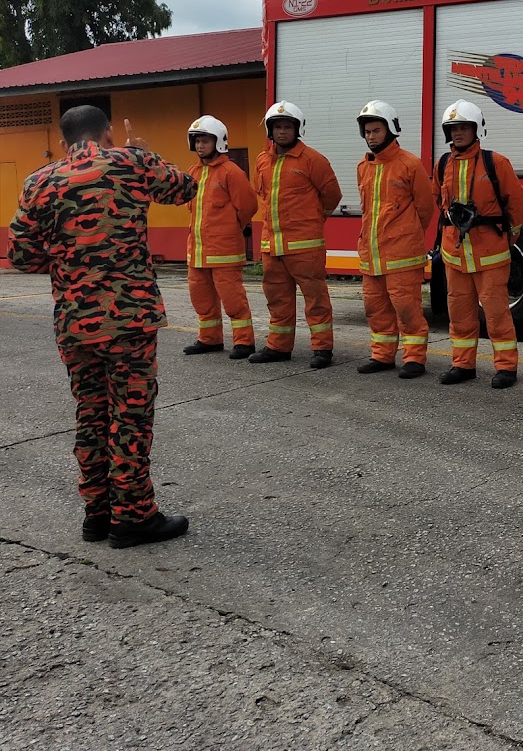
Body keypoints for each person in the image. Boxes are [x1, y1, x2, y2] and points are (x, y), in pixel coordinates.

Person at [7, 106, 197, 548]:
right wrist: (147, 152)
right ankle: (133, 517)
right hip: (129, 318)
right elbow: (184, 188)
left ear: (63, 138)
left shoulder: (38, 181)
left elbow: (20, 257)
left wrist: (67, 261)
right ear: (108, 132)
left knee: (91, 413)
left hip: (75, 322)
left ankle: (97, 513)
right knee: (129, 415)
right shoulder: (131, 162)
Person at [433, 99, 523, 388]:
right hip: (455, 254)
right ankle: (463, 364)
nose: (457, 133)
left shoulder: (495, 162)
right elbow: (438, 200)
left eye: (463, 127)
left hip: (490, 254)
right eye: (453, 128)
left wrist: (510, 236)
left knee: (497, 314)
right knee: (459, 314)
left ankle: (506, 367)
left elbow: (516, 202)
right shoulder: (444, 163)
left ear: (477, 130)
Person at [249, 101, 342, 369]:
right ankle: (278, 347)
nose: (282, 132)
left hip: (305, 247)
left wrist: (314, 219)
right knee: (277, 300)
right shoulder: (262, 161)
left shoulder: (313, 160)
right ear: (270, 130)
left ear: (297, 129)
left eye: (287, 127)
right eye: (277, 127)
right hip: (272, 246)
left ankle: (322, 349)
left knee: (316, 300)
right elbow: (263, 195)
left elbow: (332, 195)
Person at [355, 99, 435, 379]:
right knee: (375, 308)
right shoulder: (363, 167)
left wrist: (407, 235)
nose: (371, 136)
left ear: (390, 130)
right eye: (367, 131)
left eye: (376, 130)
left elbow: (425, 208)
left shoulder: (410, 164)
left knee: (407, 309)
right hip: (372, 254)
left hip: (402, 255)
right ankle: (382, 355)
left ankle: (414, 359)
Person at [182, 115, 259, 360]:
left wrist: (235, 225)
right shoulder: (193, 171)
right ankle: (209, 339)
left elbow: (248, 205)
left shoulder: (231, 172)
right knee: (201, 298)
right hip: (198, 250)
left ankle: (244, 342)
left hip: (224, 250)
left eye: (205, 140)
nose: (200, 145)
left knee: (232, 299)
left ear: (219, 142)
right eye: (197, 141)